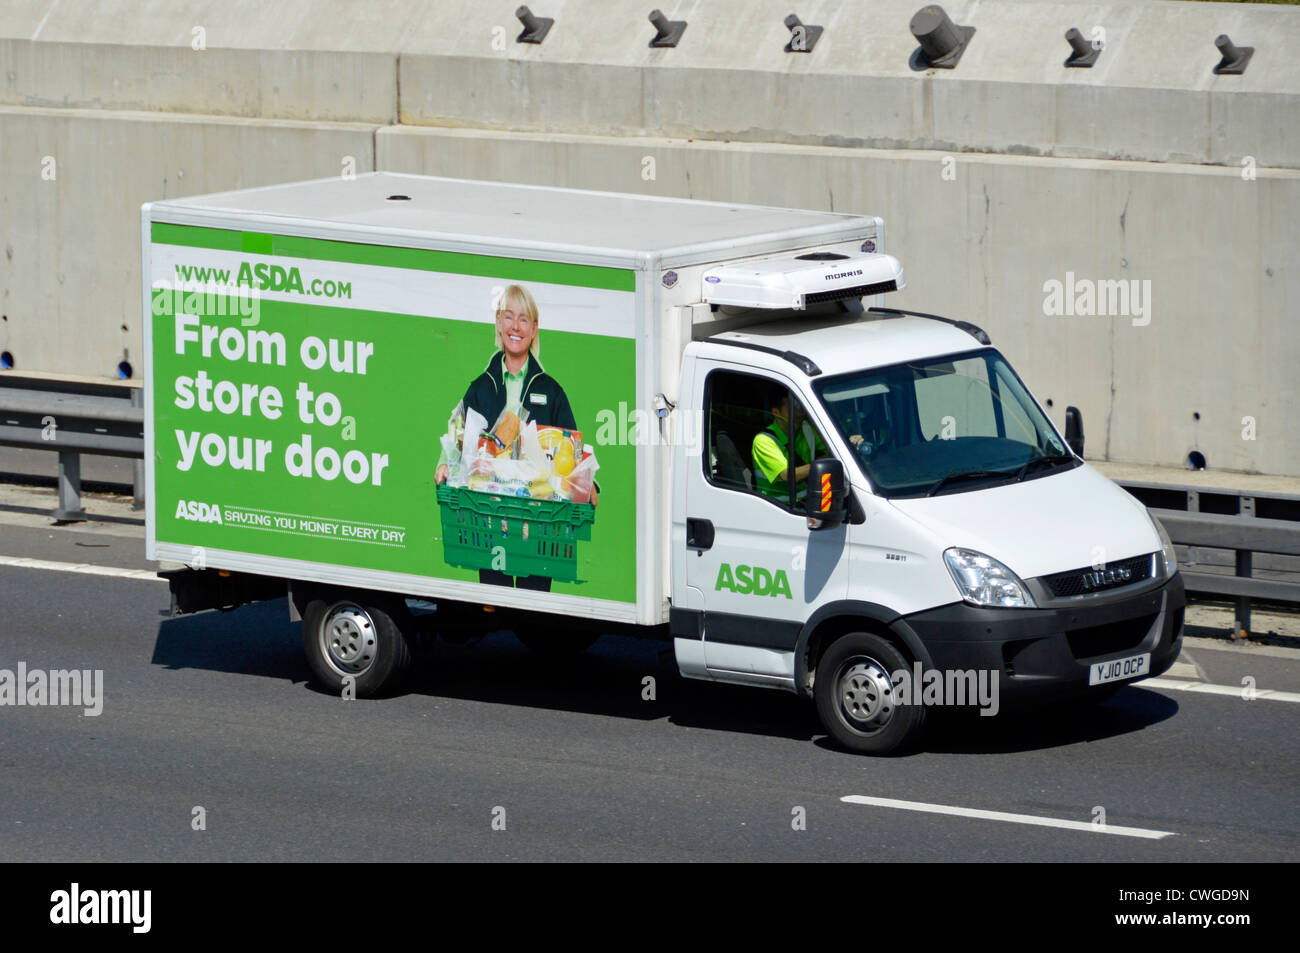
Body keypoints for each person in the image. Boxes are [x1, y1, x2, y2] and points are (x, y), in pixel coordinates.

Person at [435, 284, 577, 592]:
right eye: (508, 317)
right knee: (494, 599)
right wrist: (446, 464)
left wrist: (587, 484)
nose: (515, 326)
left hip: (538, 519)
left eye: (524, 319)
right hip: (489, 516)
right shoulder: (481, 386)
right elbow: (457, 431)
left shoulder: (551, 390)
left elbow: (571, 449)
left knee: (535, 604)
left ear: (534, 328)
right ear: (499, 323)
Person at [751, 392, 829, 504]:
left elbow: (831, 452)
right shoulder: (763, 440)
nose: (799, 412)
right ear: (776, 412)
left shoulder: (807, 428)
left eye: (800, 406)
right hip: (778, 507)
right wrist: (819, 465)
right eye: (793, 407)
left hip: (808, 500)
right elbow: (788, 476)